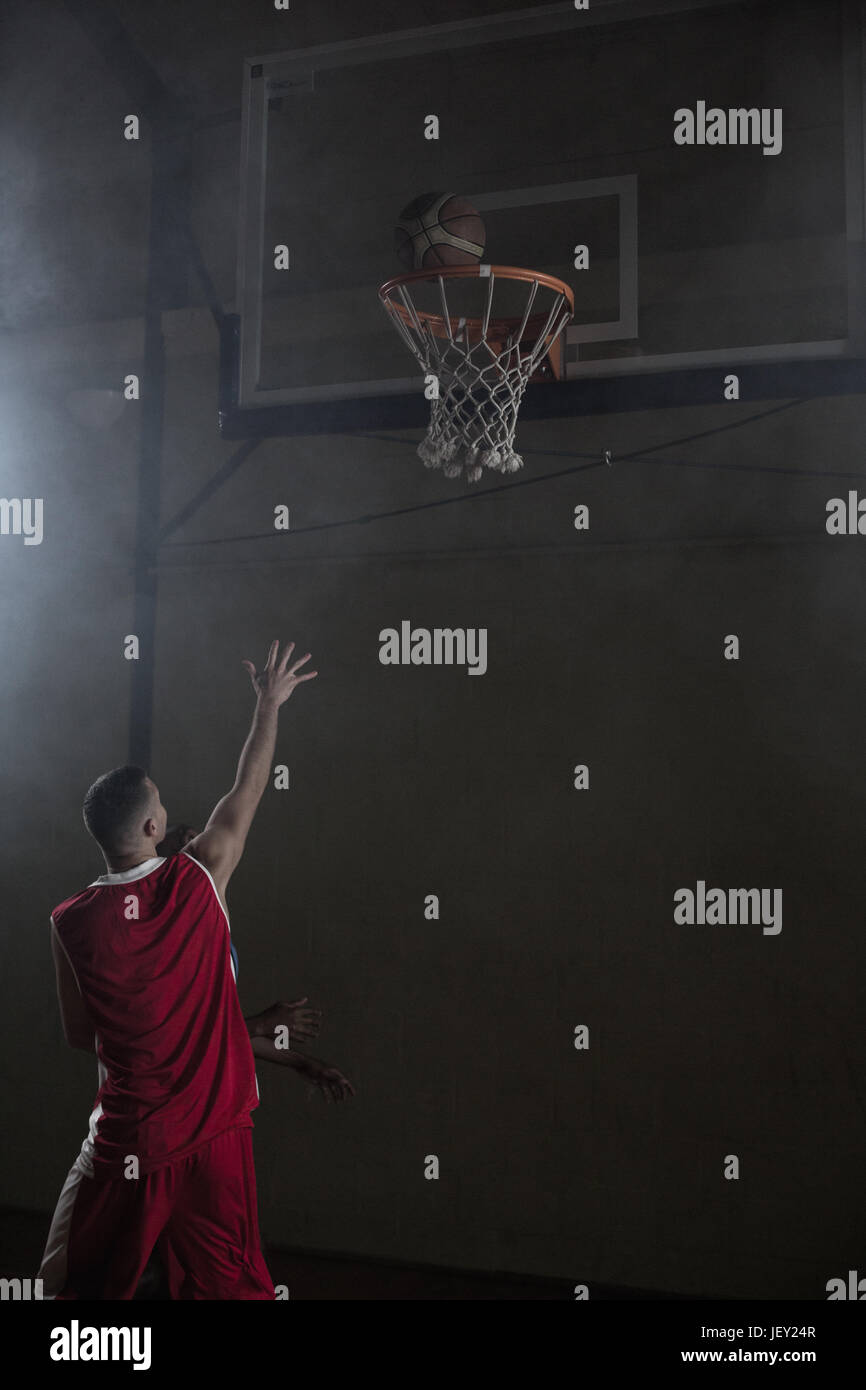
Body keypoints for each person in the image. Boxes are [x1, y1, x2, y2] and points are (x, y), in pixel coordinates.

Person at [39, 639, 327, 1299]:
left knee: (71, 1291)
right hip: (220, 1136)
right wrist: (269, 704)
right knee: (229, 1288)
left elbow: (83, 1035)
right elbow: (247, 788)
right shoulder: (199, 876)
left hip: (134, 1138)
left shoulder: (69, 921)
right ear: (149, 827)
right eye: (161, 804)